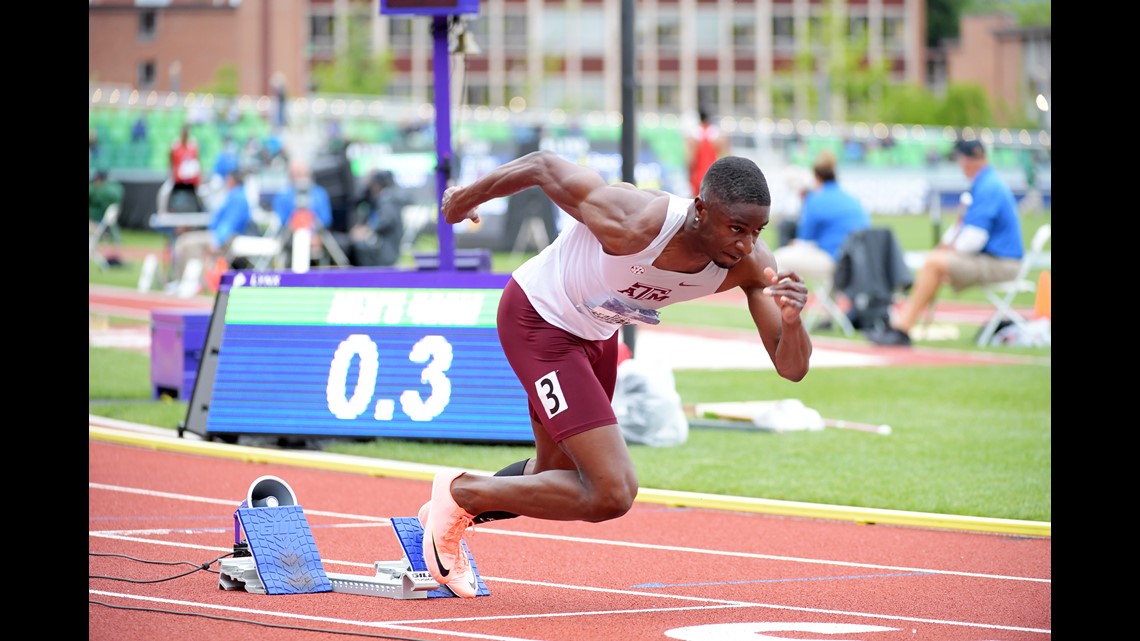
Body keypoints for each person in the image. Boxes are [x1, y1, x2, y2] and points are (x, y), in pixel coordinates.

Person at [419, 151, 813, 597]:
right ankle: (461, 494)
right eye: (735, 229)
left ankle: (450, 509)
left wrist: (794, 321)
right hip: (540, 320)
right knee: (612, 491)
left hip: (600, 335)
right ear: (700, 210)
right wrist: (464, 199)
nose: (745, 244)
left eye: (757, 231)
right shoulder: (634, 223)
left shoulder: (750, 265)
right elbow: (545, 167)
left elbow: (791, 367)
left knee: (556, 473)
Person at [865, 139, 1024, 346]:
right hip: (997, 258)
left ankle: (902, 328)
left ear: (968, 159)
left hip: (1003, 263)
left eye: (961, 159)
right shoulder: (986, 183)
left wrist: (949, 250)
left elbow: (974, 238)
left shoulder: (988, 186)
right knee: (935, 261)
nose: (960, 165)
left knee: (934, 262)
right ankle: (901, 324)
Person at [772, 150, 871, 285]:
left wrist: (793, 243)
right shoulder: (851, 199)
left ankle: (784, 303)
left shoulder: (815, 199)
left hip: (835, 261)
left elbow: (805, 240)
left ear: (816, 176)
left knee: (778, 259)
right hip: (858, 260)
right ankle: (829, 305)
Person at [170, 168, 253, 294]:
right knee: (183, 242)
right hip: (218, 234)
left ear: (232, 180)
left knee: (187, 244)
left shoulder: (238, 198)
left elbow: (230, 223)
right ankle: (183, 281)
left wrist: (217, 241)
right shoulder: (234, 195)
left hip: (225, 238)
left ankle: (192, 282)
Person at [272, 158, 346, 265]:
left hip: (317, 235)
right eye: (297, 174)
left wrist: (313, 233)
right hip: (289, 237)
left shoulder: (320, 194)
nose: (301, 178)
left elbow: (326, 219)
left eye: (304, 174)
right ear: (290, 176)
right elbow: (281, 221)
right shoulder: (282, 196)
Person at [348, 170, 407, 267]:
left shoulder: (388, 199)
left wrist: (367, 231)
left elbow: (385, 221)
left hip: (387, 250)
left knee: (359, 247)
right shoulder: (381, 198)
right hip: (384, 246)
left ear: (377, 185)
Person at [686, 107, 729, 198]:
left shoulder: (694, 135)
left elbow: (690, 160)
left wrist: (689, 175)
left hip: (698, 175)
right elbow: (726, 155)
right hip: (713, 175)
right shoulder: (717, 135)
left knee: (696, 204)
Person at [89, 170, 125, 266]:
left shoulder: (96, 189)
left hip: (94, 222)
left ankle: (105, 261)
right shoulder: (113, 189)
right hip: (101, 222)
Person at [168, 124, 204, 213]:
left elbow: (197, 163)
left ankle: (201, 209)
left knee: (201, 194)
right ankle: (167, 210)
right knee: (165, 193)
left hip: (191, 180)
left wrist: (199, 177)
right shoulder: (175, 146)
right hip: (178, 180)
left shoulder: (192, 146)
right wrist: (171, 175)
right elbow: (170, 162)